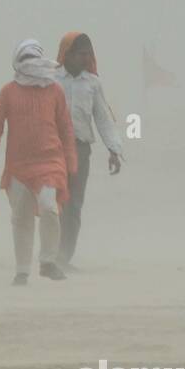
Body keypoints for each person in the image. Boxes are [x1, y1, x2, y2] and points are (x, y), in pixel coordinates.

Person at [0, 39, 77, 285]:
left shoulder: (55, 90)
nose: (31, 65)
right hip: (18, 165)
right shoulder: (8, 92)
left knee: (49, 207)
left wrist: (71, 162)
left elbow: (66, 128)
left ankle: (48, 261)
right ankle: (22, 271)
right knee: (21, 218)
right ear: (17, 63)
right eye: (25, 60)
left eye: (34, 60)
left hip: (50, 161)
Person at [52, 32, 123, 268]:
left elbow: (103, 117)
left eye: (88, 55)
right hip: (53, 150)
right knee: (52, 203)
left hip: (81, 150)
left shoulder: (93, 83)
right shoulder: (51, 80)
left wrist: (114, 149)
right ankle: (49, 254)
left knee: (73, 205)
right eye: (81, 54)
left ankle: (64, 257)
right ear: (67, 54)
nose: (85, 59)